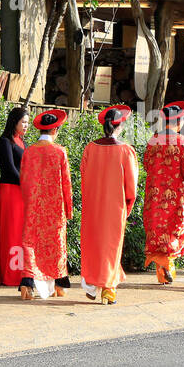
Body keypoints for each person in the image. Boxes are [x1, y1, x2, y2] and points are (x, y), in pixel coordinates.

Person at [80, 104, 139, 304]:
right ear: (120, 127)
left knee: (94, 245)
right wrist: (128, 206)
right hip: (115, 207)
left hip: (93, 205)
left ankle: (90, 284)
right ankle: (108, 288)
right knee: (111, 247)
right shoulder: (126, 151)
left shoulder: (91, 148)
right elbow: (131, 187)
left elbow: (84, 177)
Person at [19, 109, 74, 301]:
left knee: (31, 243)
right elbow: (66, 183)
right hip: (54, 205)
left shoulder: (29, 152)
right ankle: (59, 284)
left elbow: (24, 181)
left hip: (33, 206)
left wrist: (27, 204)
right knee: (55, 244)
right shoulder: (60, 152)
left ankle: (27, 284)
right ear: (55, 130)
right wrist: (69, 208)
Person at [142, 101, 184, 284]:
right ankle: (167, 267)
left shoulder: (153, 141)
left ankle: (163, 271)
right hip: (175, 195)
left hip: (154, 195)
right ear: (178, 122)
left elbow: (147, 165)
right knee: (173, 231)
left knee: (156, 230)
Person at [0, 105, 28, 288]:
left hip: (22, 192)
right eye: (24, 122)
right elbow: (9, 168)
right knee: (10, 231)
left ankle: (21, 272)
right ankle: (9, 275)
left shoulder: (21, 141)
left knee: (20, 233)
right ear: (14, 122)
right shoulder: (5, 141)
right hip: (10, 190)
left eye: (28, 122)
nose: (26, 125)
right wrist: (25, 183)